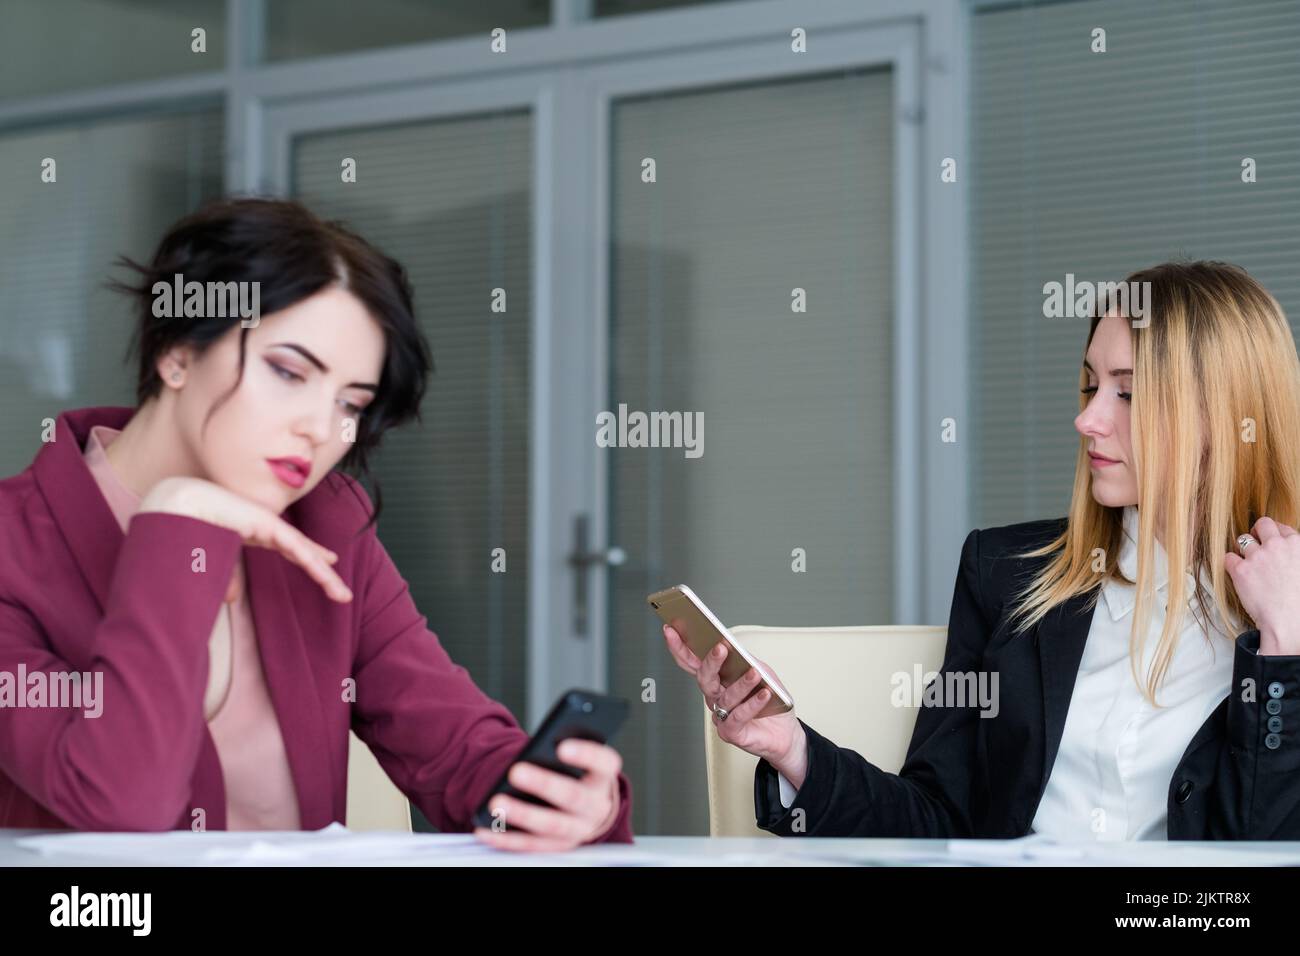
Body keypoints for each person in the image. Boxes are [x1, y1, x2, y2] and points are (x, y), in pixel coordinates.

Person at [0, 197, 632, 851]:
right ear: (178, 353)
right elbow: (117, 804)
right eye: (288, 371)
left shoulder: (327, 522)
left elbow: (452, 748)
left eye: (351, 403)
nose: (321, 429)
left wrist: (561, 799)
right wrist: (179, 526)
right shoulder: (12, 547)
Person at [665, 260, 1300, 840]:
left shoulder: (1286, 611)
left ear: (1222, 414)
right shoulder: (1005, 573)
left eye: (1126, 392)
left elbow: (1266, 854)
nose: (1089, 420)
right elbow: (938, 817)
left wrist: (1284, 655)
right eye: (1090, 386)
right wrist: (790, 749)